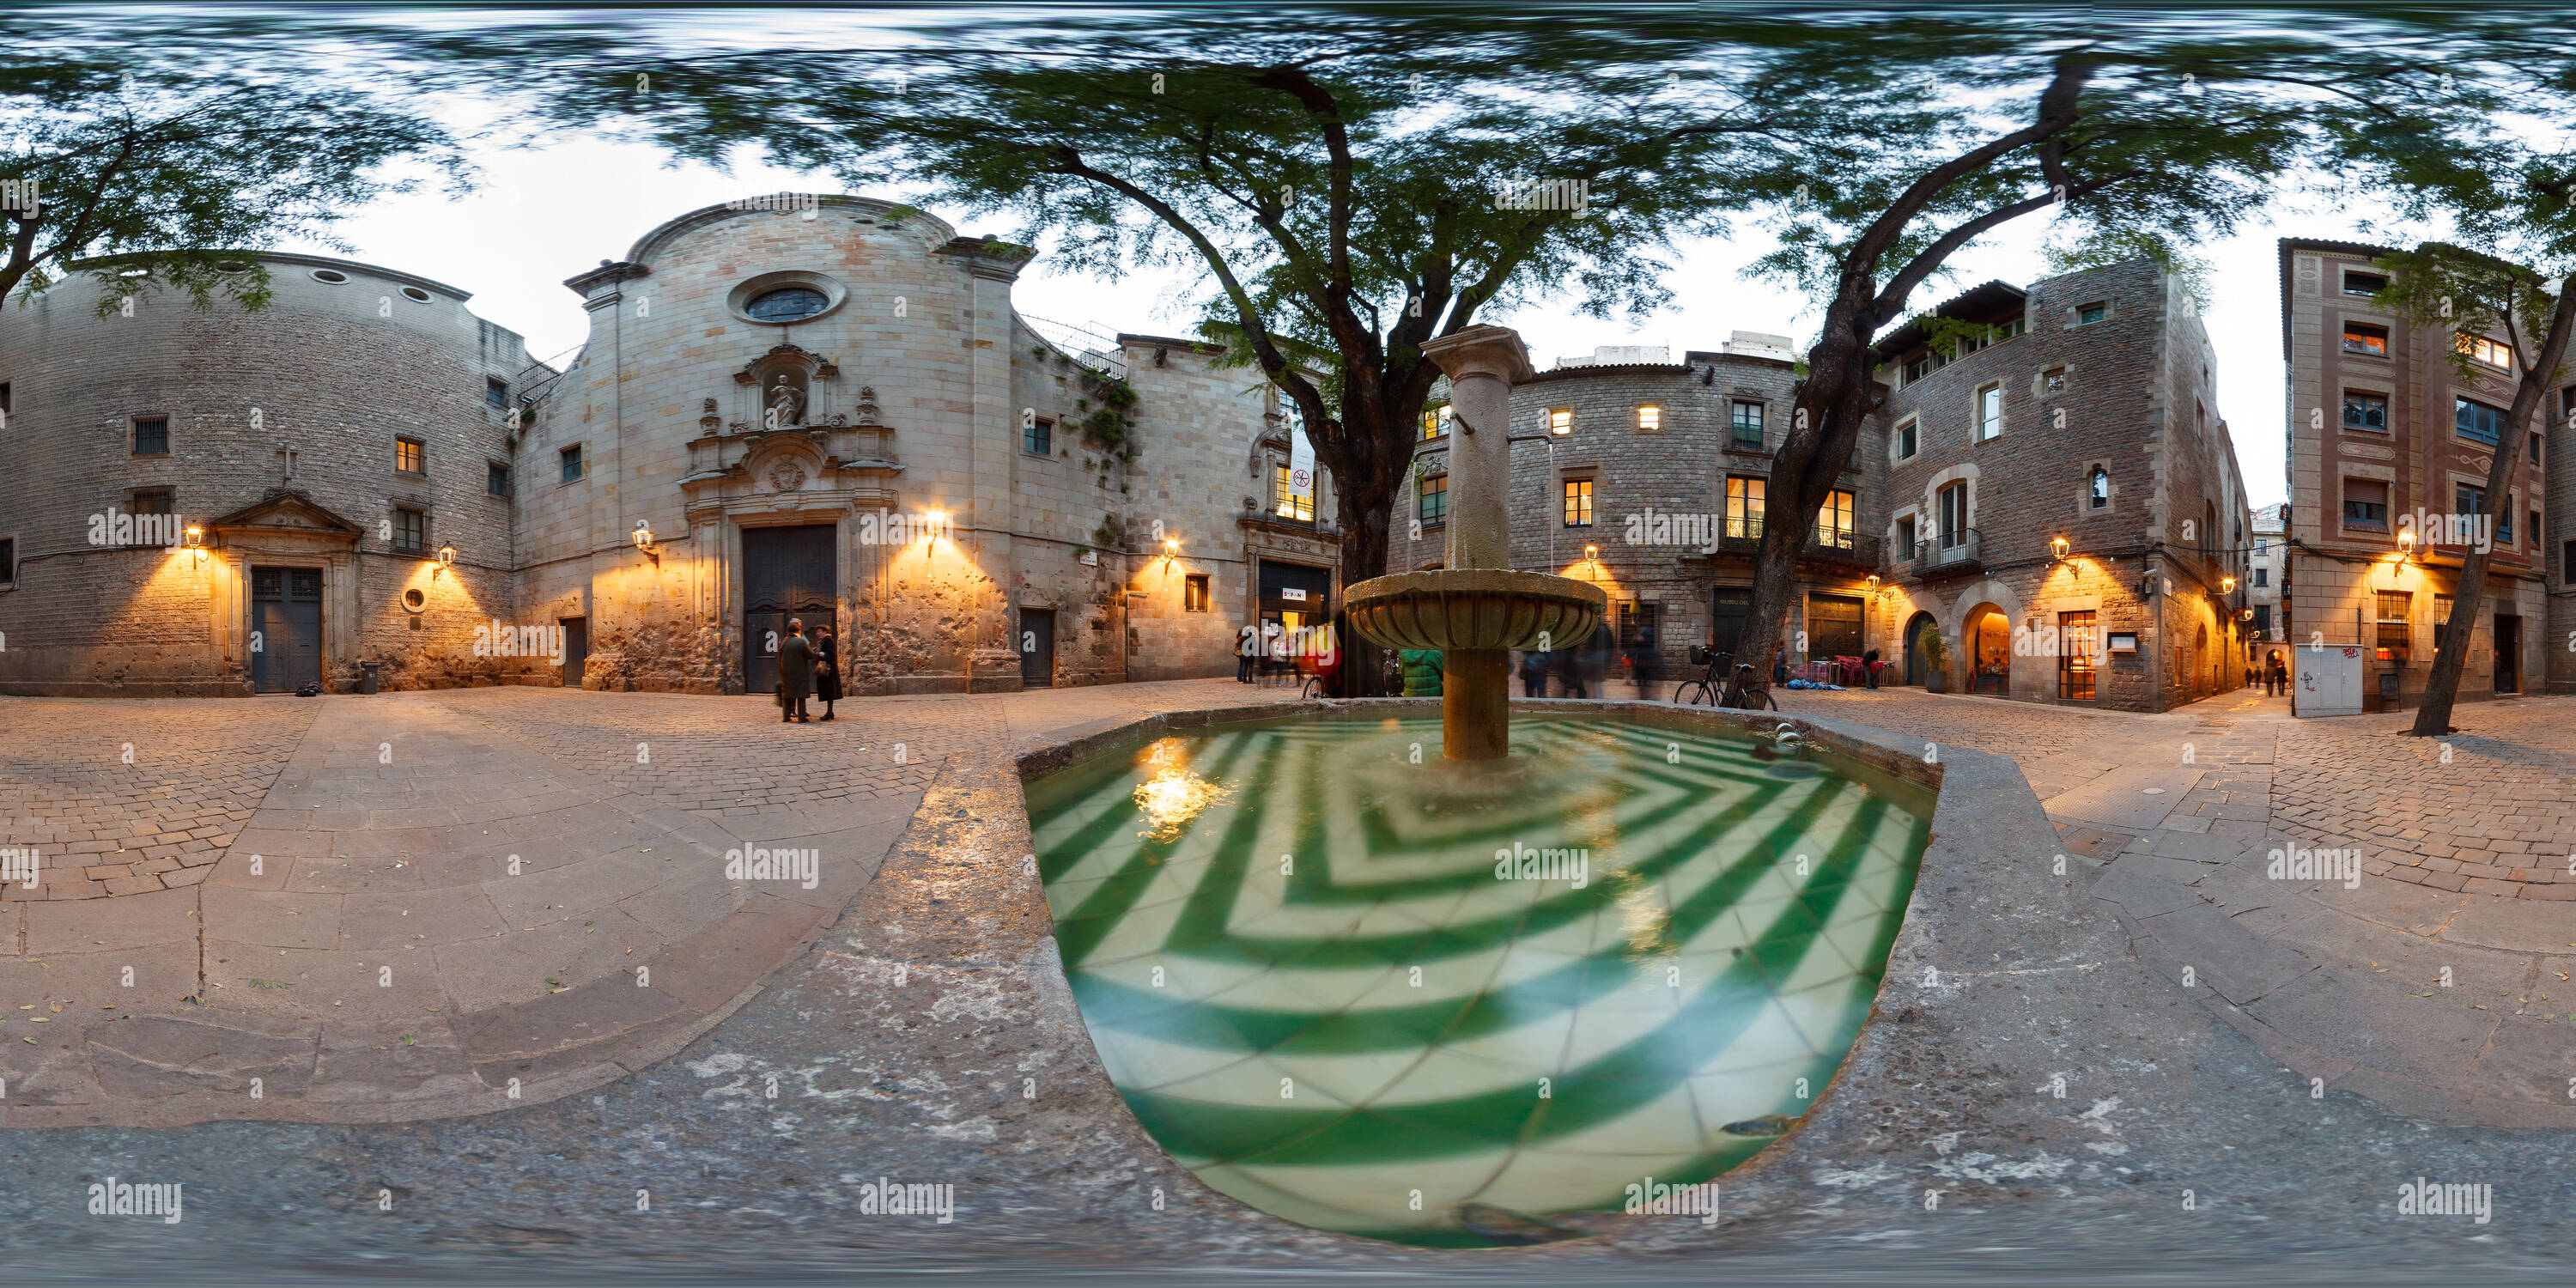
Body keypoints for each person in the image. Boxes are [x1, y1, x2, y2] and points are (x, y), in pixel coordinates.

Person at [778, 617, 815, 723]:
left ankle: (786, 717)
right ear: (798, 631)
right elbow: (810, 655)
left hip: (785, 673)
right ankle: (802, 717)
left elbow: (779, 657)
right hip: (799, 673)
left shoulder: (784, 642)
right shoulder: (801, 641)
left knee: (787, 695)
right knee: (801, 695)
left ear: (788, 631)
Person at [812, 626, 841, 720]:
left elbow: (831, 654)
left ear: (824, 632)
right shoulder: (821, 642)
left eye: (819, 632)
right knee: (827, 690)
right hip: (824, 670)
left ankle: (829, 712)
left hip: (829, 670)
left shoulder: (828, 640)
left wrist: (820, 654)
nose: (817, 634)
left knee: (830, 691)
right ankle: (830, 712)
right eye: (817, 632)